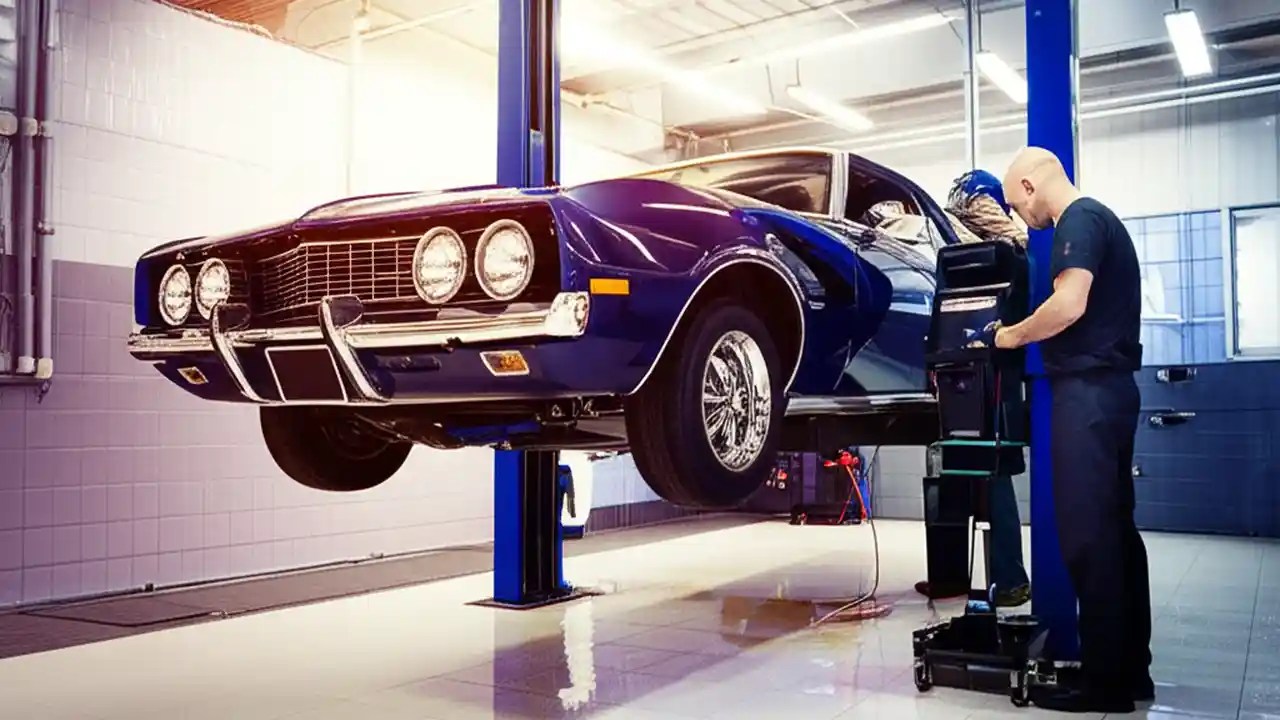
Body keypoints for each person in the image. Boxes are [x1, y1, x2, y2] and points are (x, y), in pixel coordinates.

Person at [993, 146, 1152, 713]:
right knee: (1118, 535)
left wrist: (1009, 335)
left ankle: (1104, 682)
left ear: (1032, 185)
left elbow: (1070, 302)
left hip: (1087, 397)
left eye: (1017, 204)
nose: (1021, 218)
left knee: (1089, 539)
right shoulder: (1104, 219)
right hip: (1111, 394)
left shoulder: (1078, 221)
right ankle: (1132, 672)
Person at [914, 169, 1031, 609]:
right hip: (957, 375)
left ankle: (1013, 580)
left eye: (973, 206)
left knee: (995, 478)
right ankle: (948, 577)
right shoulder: (953, 256)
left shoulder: (1018, 255)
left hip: (998, 377)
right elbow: (941, 311)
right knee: (951, 474)